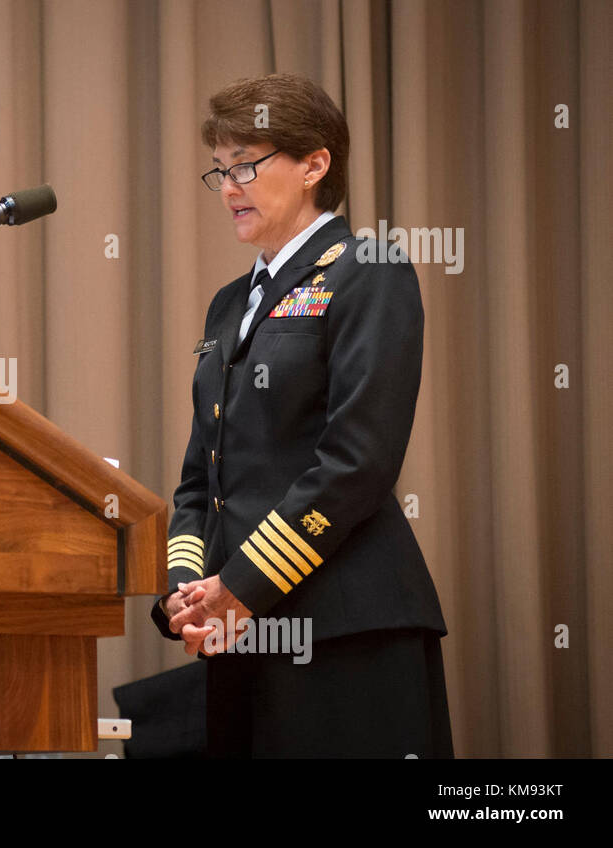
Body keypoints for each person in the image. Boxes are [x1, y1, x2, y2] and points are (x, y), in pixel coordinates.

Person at [151, 73, 453, 757]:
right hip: (240, 631)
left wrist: (241, 587)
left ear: (315, 164)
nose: (229, 188)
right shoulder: (230, 303)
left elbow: (358, 462)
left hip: (343, 629)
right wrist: (188, 592)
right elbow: (201, 480)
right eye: (221, 171)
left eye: (247, 166)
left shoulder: (366, 270)